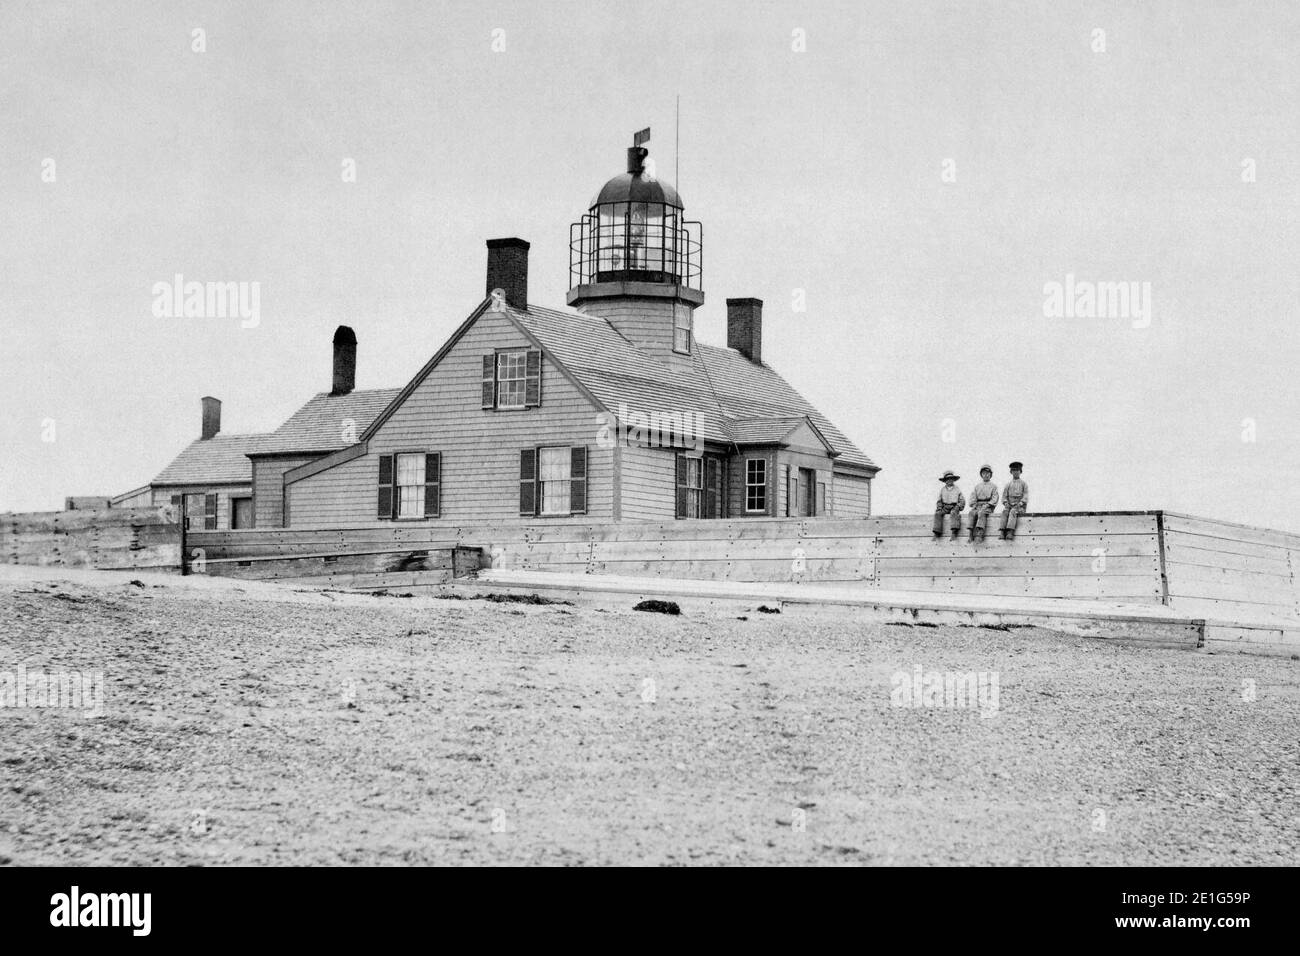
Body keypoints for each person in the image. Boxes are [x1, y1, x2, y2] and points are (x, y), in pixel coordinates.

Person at [968, 464, 999, 542]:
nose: (986, 475)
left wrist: (988, 505)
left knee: (981, 512)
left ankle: (980, 534)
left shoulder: (993, 486)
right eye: (984, 473)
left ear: (991, 475)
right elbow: (973, 497)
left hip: (987, 507)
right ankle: (970, 533)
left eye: (988, 473)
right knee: (972, 513)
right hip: (978, 505)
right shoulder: (977, 486)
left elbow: (995, 498)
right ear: (981, 475)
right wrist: (974, 504)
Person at [1000, 461, 1029, 540]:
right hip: (1010, 505)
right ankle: (1002, 531)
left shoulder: (1024, 484)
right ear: (1011, 472)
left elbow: (1025, 496)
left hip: (1020, 507)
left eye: (1017, 470)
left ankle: (1010, 531)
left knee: (1013, 511)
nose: (1015, 472)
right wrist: (1006, 503)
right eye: (1014, 471)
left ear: (1020, 471)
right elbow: (1004, 497)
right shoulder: (1008, 485)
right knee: (1005, 511)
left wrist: (1020, 503)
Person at [932, 471, 965, 539]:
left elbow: (962, 500)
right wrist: (939, 507)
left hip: (954, 506)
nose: (949, 480)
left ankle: (954, 531)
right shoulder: (943, 490)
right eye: (947, 479)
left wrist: (958, 506)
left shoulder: (957, 489)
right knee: (938, 513)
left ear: (953, 480)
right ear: (945, 481)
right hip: (945, 507)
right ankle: (937, 532)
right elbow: (939, 500)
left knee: (954, 513)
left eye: (951, 479)